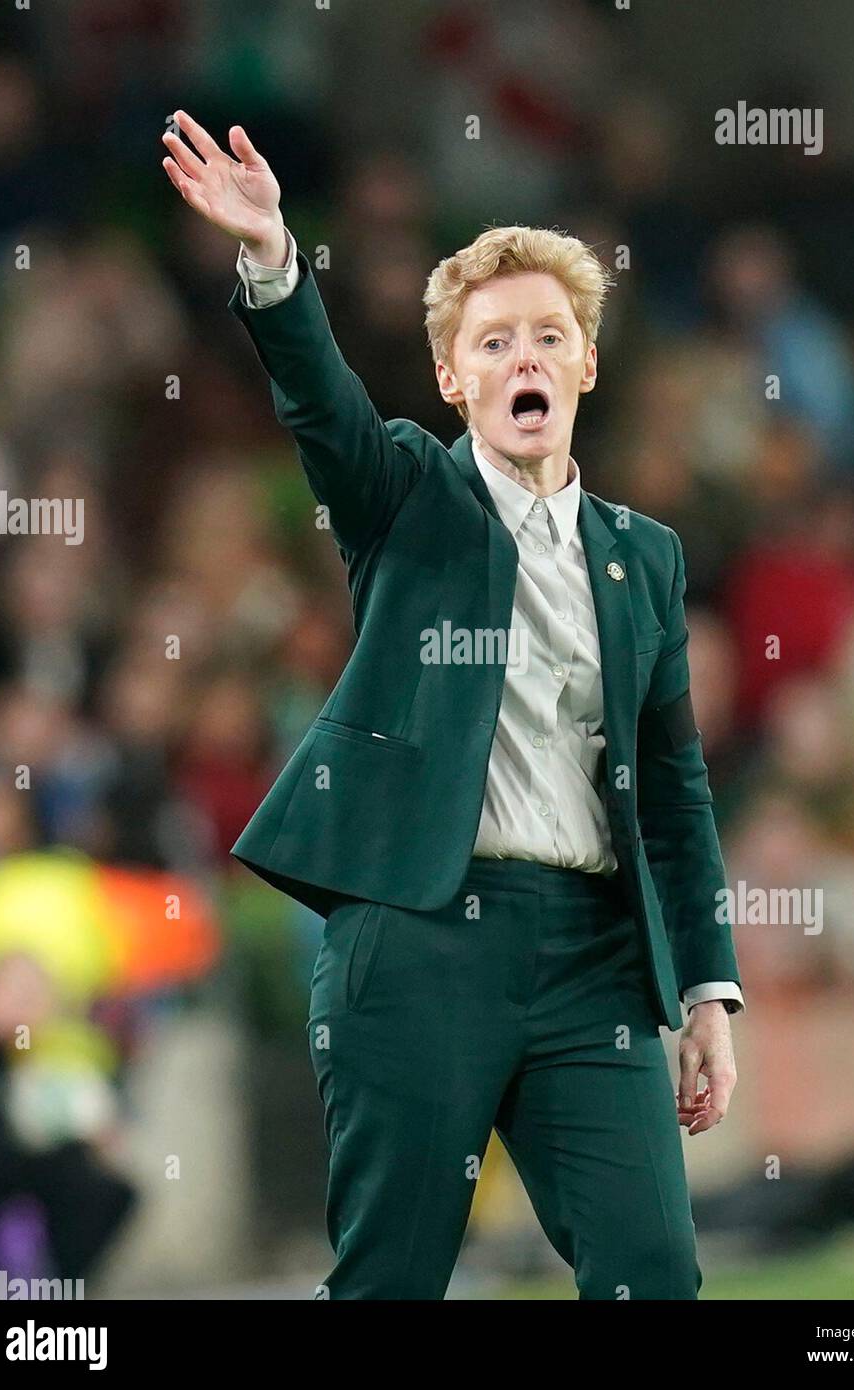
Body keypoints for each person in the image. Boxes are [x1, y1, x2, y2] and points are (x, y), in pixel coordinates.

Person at [161, 110, 743, 1300]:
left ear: (585, 363)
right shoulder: (409, 495)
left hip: (592, 955)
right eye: (492, 341)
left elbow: (673, 787)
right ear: (450, 375)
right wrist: (274, 258)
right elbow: (321, 402)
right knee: (393, 1282)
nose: (522, 357)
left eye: (548, 335)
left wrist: (704, 989)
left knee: (656, 1274)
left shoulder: (648, 557)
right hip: (419, 934)